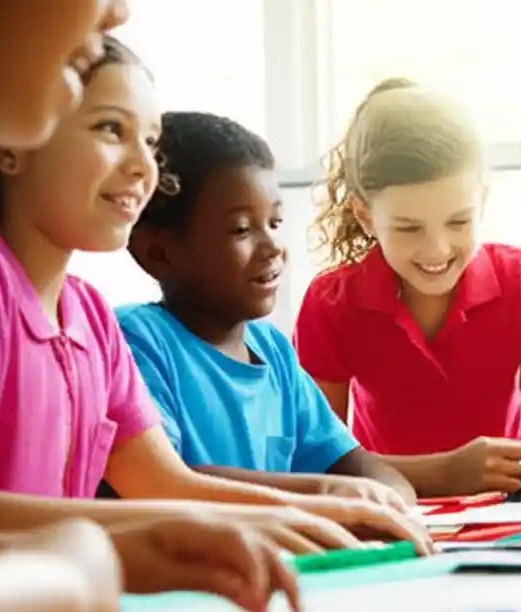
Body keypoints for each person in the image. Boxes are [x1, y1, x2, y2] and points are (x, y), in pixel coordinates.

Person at [0, 0, 296, 612]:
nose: (118, 4)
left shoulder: (81, 307)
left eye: (150, 142)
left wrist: (303, 505)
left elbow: (164, 482)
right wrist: (81, 567)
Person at [0, 37, 431, 556]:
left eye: (149, 141)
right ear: (7, 141)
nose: (144, 166)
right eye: (110, 129)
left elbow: (171, 487)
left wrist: (325, 506)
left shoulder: (90, 317)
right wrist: (170, 535)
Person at [295, 78, 521, 500]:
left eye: (459, 222)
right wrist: (446, 472)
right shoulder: (331, 305)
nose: (437, 249)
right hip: (390, 508)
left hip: (510, 508)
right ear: (365, 217)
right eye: (408, 228)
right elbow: (320, 458)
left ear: (483, 201)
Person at [120, 110, 415, 510]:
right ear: (158, 253)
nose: (273, 246)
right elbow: (163, 479)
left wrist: (390, 498)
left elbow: (356, 466)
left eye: (274, 222)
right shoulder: (136, 343)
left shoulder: (272, 349)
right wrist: (325, 494)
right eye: (242, 229)